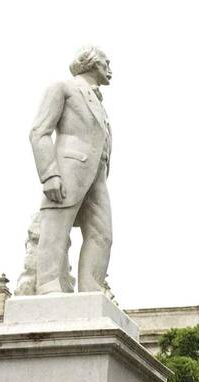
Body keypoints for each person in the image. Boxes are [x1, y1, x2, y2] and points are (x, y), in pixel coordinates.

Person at [26, 46, 114, 294]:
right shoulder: (63, 88)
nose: (110, 69)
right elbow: (38, 132)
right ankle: (48, 284)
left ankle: (92, 288)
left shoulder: (100, 103)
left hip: (98, 176)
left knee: (102, 234)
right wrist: (50, 173)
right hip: (68, 168)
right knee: (56, 228)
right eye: (107, 63)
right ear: (93, 63)